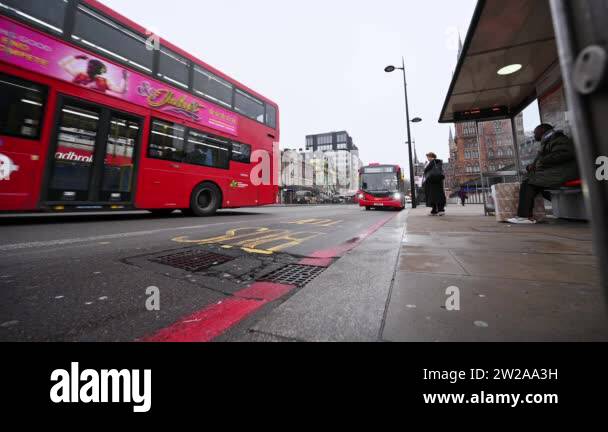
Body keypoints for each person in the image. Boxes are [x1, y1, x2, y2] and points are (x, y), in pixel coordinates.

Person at [507, 124, 580, 224]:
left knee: (529, 182)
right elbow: (543, 159)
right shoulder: (547, 141)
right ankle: (527, 216)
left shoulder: (558, 138)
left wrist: (541, 162)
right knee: (534, 183)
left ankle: (524, 216)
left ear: (542, 130)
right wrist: (532, 166)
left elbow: (565, 153)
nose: (533, 134)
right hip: (557, 173)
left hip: (564, 173)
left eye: (535, 132)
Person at [59, 55, 128, 94]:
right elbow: (62, 64)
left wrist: (124, 77)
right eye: (89, 66)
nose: (88, 68)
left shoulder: (103, 82)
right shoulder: (80, 75)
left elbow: (121, 91)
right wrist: (76, 57)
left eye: (91, 67)